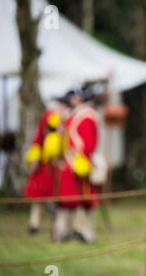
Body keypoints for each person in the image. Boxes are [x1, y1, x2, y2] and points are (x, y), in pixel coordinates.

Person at [53, 88, 100, 243]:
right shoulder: (74, 115)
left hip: (79, 164)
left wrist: (78, 158)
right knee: (66, 201)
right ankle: (63, 231)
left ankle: (83, 232)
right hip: (69, 163)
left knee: (83, 201)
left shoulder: (87, 116)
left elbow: (88, 144)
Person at [24, 93, 72, 234]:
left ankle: (58, 226)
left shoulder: (68, 119)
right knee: (38, 195)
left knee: (58, 197)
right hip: (46, 163)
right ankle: (34, 224)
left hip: (60, 163)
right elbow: (38, 138)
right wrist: (34, 157)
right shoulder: (47, 117)